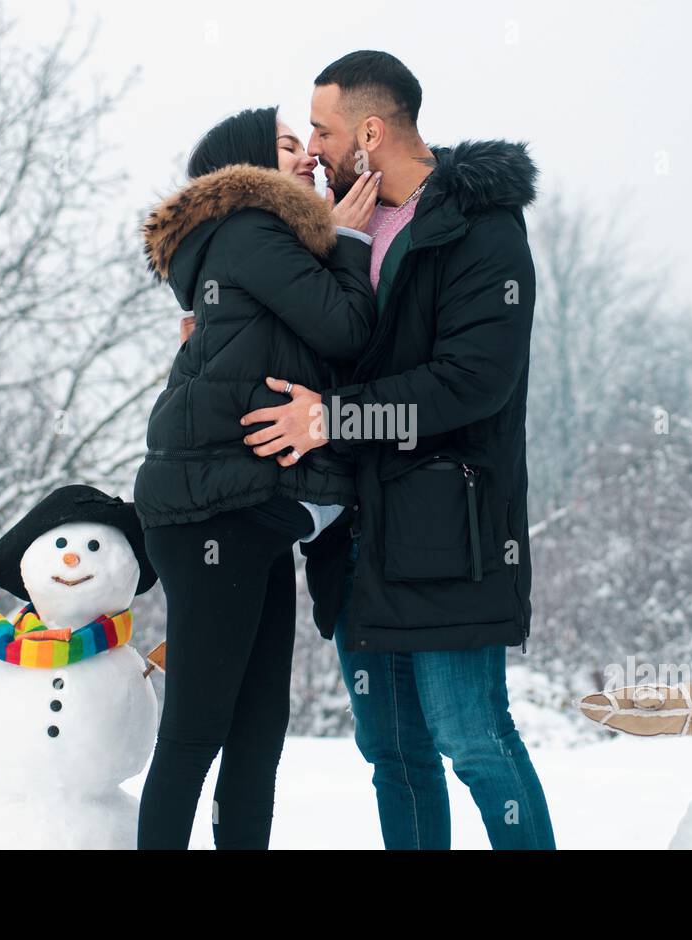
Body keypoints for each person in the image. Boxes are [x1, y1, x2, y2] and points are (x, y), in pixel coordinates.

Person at [239, 52, 556, 849]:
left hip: (451, 531)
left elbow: (471, 382)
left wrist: (333, 419)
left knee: (472, 738)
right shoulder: (339, 226)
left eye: (324, 130)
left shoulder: (479, 230)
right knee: (393, 752)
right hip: (355, 533)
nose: (313, 148)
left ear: (372, 132)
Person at [134, 106, 380, 849]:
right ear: (247, 164)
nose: (308, 157)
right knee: (197, 729)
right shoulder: (249, 228)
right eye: (287, 145)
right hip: (217, 515)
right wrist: (350, 242)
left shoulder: (264, 240)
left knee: (258, 727)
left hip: (253, 511)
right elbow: (345, 328)